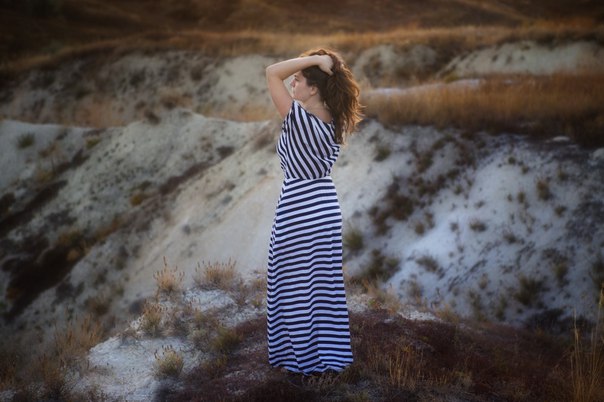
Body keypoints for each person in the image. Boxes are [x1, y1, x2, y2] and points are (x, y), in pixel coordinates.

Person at [265, 48, 363, 375]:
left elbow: (271, 72)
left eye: (298, 80)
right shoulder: (334, 121)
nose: (292, 83)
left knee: (293, 288)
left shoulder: (300, 119)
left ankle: (302, 363)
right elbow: (280, 75)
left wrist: (314, 61)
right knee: (321, 288)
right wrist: (317, 62)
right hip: (324, 206)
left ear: (314, 88)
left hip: (300, 208)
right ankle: (328, 354)